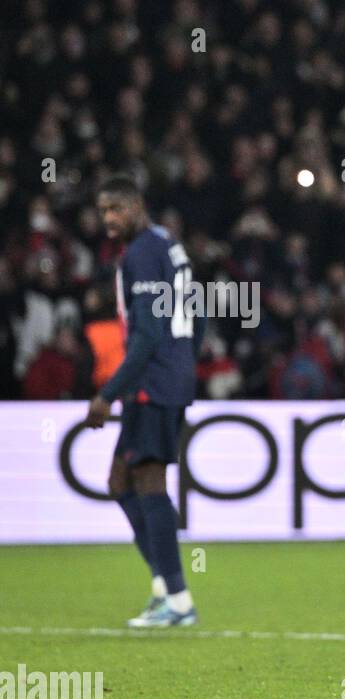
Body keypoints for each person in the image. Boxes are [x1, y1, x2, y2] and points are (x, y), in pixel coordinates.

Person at [84, 174, 204, 628]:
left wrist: (106, 395)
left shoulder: (141, 253)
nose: (110, 219)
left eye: (117, 208)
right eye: (103, 211)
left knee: (149, 484)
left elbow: (149, 334)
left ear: (137, 204)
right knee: (121, 482)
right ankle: (163, 588)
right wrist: (185, 359)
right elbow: (200, 311)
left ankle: (178, 600)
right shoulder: (167, 244)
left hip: (151, 383)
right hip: (164, 376)